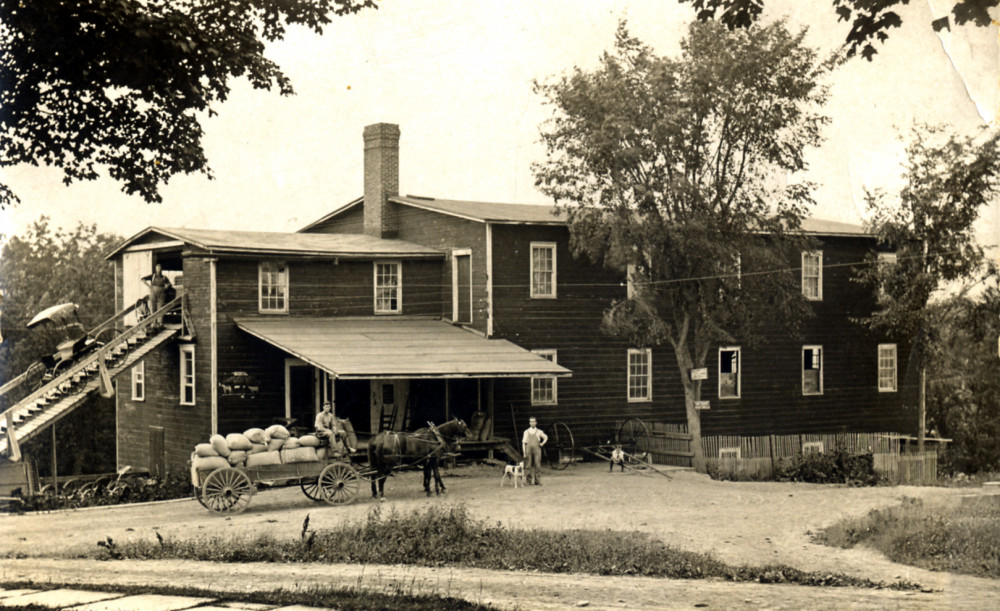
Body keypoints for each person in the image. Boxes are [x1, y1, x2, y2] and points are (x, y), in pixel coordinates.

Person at [141, 263, 171, 330]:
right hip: (153, 293)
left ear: (161, 269)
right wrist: (149, 286)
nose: (158, 269)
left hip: (162, 293)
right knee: (153, 307)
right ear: (155, 269)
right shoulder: (153, 276)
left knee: (160, 307)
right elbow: (143, 279)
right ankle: (154, 323)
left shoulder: (164, 277)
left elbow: (169, 284)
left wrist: (167, 286)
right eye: (157, 268)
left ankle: (160, 323)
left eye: (159, 268)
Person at [521, 417, 548, 486]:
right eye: (531, 422)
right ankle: (528, 480)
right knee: (528, 464)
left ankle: (537, 480)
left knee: (537, 464)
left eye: (533, 421)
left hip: (537, 449)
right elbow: (524, 443)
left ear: (536, 422)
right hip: (528, 449)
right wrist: (524, 452)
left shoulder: (539, 431)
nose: (532, 423)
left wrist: (542, 443)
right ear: (529, 423)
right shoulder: (526, 432)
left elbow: (546, 437)